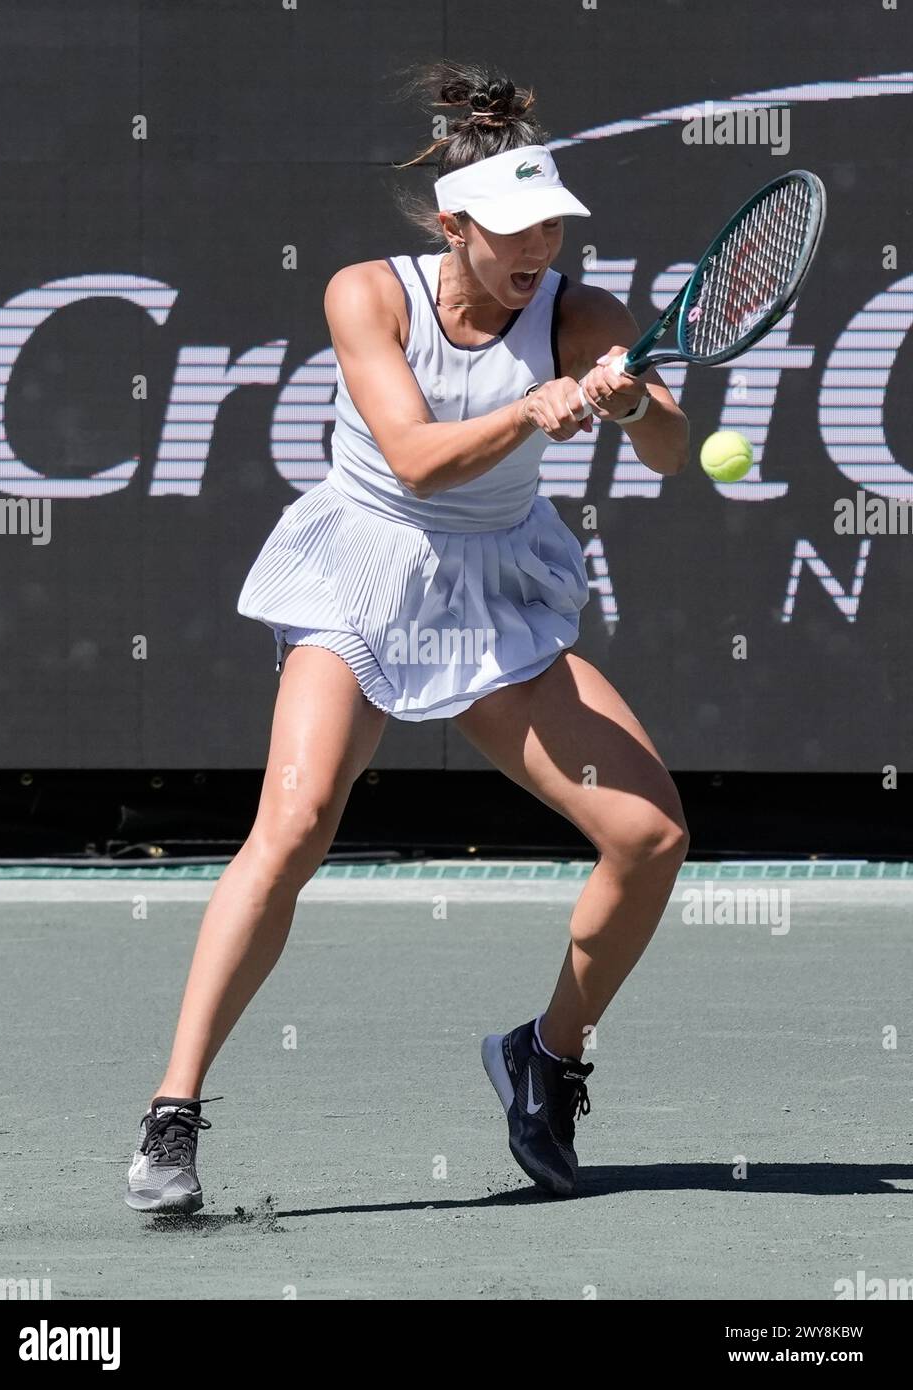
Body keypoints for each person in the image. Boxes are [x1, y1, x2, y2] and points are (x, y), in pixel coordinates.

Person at [125, 61, 690, 1212]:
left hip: (494, 591)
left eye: (552, 224)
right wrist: (534, 408)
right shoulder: (363, 293)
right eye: (513, 228)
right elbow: (418, 460)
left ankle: (547, 1054)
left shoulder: (582, 314)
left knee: (649, 836)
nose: (537, 245)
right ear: (455, 225)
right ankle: (171, 1116)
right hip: (364, 568)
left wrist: (631, 403)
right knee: (288, 826)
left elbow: (672, 451)